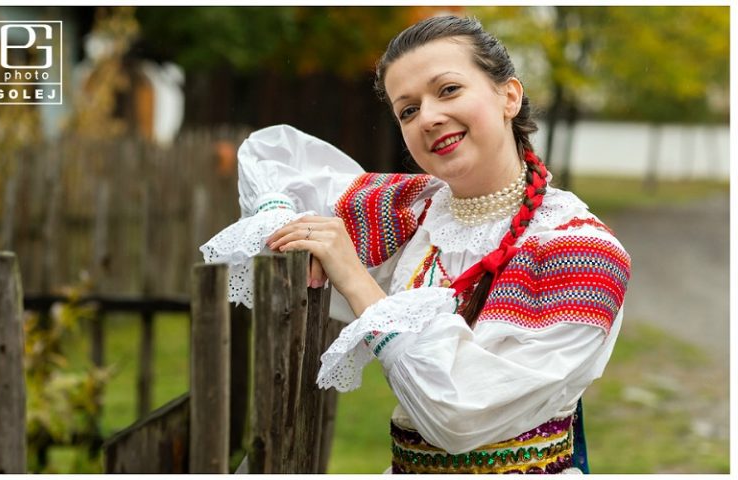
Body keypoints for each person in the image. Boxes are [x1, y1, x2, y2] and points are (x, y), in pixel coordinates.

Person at [201, 15, 631, 474]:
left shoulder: (580, 251)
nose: (427, 117)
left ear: (509, 95)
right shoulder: (415, 211)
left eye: (448, 90)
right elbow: (271, 160)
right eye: (407, 110)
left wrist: (356, 280)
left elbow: (459, 412)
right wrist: (293, 229)